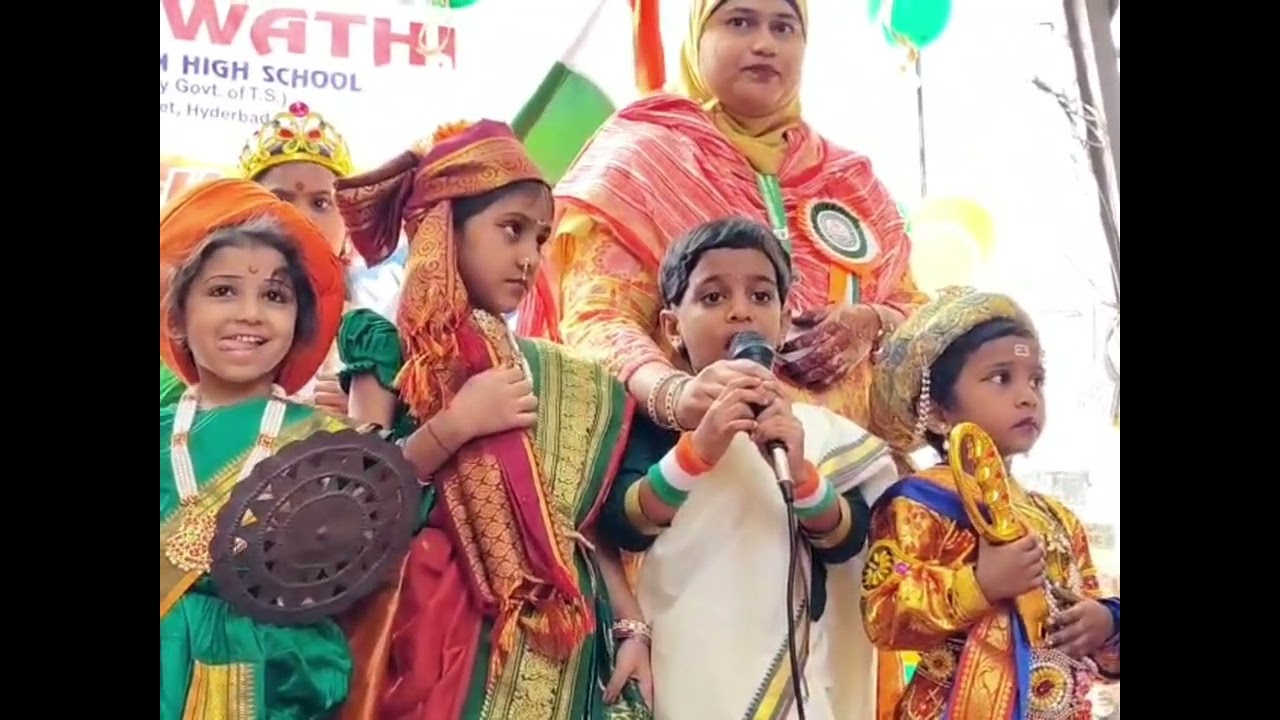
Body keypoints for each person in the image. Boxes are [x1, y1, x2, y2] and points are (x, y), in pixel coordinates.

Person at [334, 120, 653, 720]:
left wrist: (632, 627)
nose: (529, 258)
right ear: (444, 231)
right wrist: (456, 424)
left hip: (554, 640)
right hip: (424, 626)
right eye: (511, 231)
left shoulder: (555, 371)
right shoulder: (386, 345)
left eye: (539, 239)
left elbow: (571, 521)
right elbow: (361, 496)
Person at [517, 0, 928, 437]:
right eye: (740, 22)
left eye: (784, 28)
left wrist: (871, 323)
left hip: (851, 483)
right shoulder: (642, 159)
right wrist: (676, 396)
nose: (765, 44)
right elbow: (598, 318)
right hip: (691, 463)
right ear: (697, 38)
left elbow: (922, 315)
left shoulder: (849, 182)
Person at [595, 217, 898, 719]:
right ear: (672, 327)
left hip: (799, 677)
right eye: (713, 298)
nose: (740, 313)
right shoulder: (658, 423)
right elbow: (626, 523)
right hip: (689, 668)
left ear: (782, 322)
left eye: (761, 297)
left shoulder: (816, 433)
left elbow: (851, 540)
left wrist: (801, 478)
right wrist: (699, 451)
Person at [861, 287, 1120, 719]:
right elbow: (885, 611)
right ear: (941, 412)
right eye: (1001, 378)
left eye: (1036, 379)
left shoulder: (1059, 519)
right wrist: (980, 584)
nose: (1027, 396)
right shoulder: (920, 502)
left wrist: (1105, 622)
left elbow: (1088, 615)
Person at [159, 179, 351, 718]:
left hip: (274, 680)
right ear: (176, 316)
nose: (249, 313)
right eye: (223, 291)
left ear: (299, 322)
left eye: (274, 296)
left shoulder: (328, 445)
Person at [161, 101, 355, 411]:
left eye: (321, 203)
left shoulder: (370, 336)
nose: (300, 216)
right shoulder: (184, 331)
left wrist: (357, 414)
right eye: (279, 199)